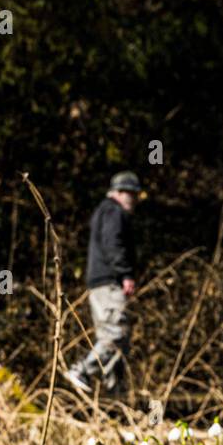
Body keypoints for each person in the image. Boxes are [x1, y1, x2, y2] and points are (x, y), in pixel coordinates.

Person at [66, 170, 141, 397]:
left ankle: (114, 399)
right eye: (131, 194)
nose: (135, 199)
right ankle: (81, 371)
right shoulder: (113, 212)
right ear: (118, 192)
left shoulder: (104, 211)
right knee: (115, 335)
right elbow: (113, 243)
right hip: (109, 284)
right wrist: (125, 274)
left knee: (117, 343)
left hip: (101, 284)